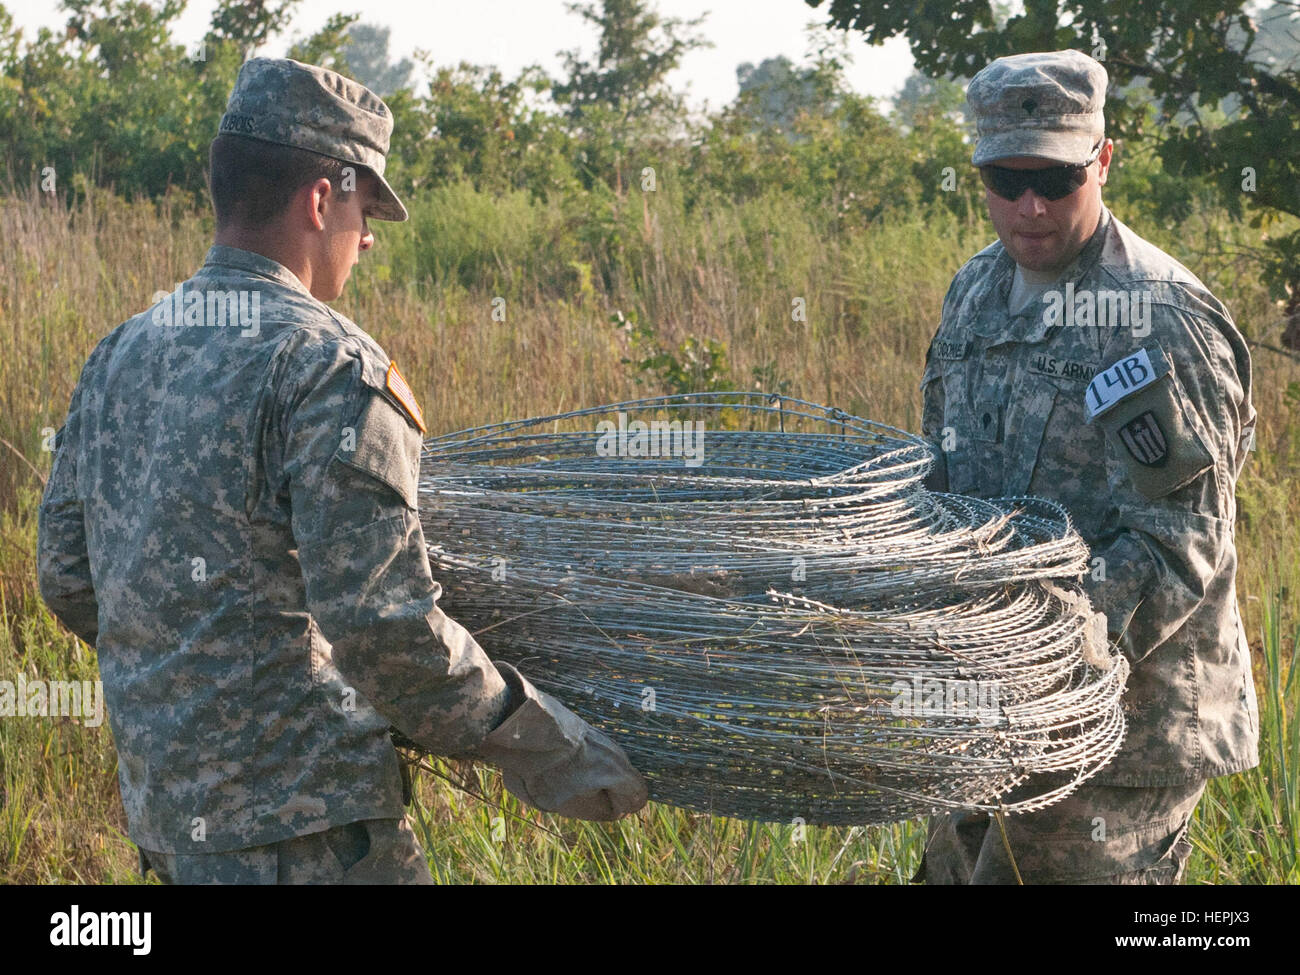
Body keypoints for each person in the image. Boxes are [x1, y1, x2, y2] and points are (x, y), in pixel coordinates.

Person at [36, 57, 647, 885]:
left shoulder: (120, 353)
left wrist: (194, 670)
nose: (367, 239)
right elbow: (385, 626)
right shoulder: (329, 364)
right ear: (322, 199)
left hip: (170, 828)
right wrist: (549, 741)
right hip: (312, 841)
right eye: (366, 211)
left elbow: (68, 577)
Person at [915, 50, 1258, 884]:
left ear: (1102, 161)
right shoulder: (975, 292)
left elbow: (1181, 543)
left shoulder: (1157, 317)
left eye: (1058, 179)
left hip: (1119, 735)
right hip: (982, 720)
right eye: (1006, 178)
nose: (1029, 205)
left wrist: (1036, 651)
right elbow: (940, 482)